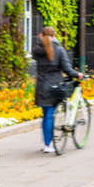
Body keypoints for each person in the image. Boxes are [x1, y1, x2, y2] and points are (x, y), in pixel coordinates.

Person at [34, 25, 78, 155]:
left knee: (45, 114)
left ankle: (46, 144)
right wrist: (78, 75)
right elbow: (67, 69)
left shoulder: (37, 50)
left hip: (41, 85)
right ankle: (49, 145)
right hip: (55, 86)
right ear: (54, 36)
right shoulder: (59, 50)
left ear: (41, 35)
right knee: (50, 114)